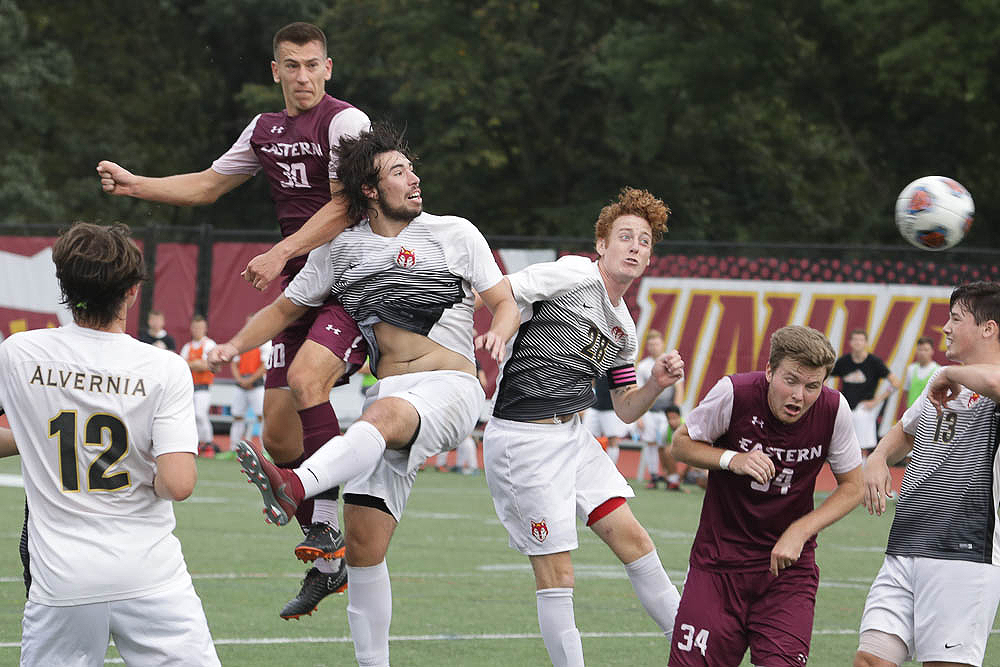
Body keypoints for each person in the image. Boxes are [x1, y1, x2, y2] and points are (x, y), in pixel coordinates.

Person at [206, 121, 520, 667]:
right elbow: (285, 310)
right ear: (370, 191)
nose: (414, 178)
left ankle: (296, 485)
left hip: (450, 388)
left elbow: (507, 301)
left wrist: (501, 327)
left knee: (385, 415)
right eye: (399, 172)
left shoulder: (455, 232)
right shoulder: (342, 248)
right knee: (365, 543)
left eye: (412, 168)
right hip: (391, 398)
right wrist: (233, 345)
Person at [96, 21, 371, 616]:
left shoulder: (346, 123)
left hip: (355, 278)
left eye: (312, 64)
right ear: (275, 71)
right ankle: (329, 563)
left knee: (307, 383)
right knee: (278, 436)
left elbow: (348, 204)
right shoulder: (265, 129)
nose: (302, 75)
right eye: (291, 65)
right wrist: (134, 184)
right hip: (301, 285)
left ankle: (331, 524)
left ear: (330, 68)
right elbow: (208, 184)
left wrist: (280, 252)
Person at [0, 222, 220, 666]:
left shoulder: (19, 352)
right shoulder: (164, 367)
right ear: (133, 291)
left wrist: (41, 443)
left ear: (62, 284)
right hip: (150, 574)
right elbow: (178, 483)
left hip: (62, 579)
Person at [484, 187, 684, 666]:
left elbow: (625, 409)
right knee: (558, 575)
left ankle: (696, 655)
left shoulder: (625, 328)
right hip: (523, 441)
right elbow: (503, 291)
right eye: (625, 237)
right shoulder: (573, 273)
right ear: (602, 245)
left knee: (636, 541)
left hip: (573, 440)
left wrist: (655, 382)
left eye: (645, 241)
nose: (636, 247)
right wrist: (499, 328)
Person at [669, 325, 863, 667]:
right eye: (791, 380)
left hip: (786, 571)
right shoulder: (735, 392)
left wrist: (799, 531)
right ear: (770, 371)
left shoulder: (834, 409)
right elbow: (681, 444)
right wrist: (733, 459)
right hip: (718, 565)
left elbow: (852, 486)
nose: (799, 396)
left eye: (812, 386)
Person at [854, 282, 1000, 667]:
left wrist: (949, 372)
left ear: (989, 328)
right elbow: (906, 430)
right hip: (905, 546)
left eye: (955, 319)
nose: (945, 328)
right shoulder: (945, 379)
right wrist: (879, 457)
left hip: (964, 554)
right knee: (870, 660)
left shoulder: (960, 378)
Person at [830, 329, 902, 450]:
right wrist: (830, 395)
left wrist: (877, 400)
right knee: (843, 444)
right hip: (845, 407)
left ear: (866, 343)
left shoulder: (874, 362)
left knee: (862, 446)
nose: (858, 343)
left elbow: (895, 383)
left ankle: (863, 467)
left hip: (864, 408)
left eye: (861, 340)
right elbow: (825, 376)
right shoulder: (843, 361)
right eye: (855, 340)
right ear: (850, 342)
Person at [636, 330, 683, 488]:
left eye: (656, 343)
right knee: (650, 442)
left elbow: (679, 388)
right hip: (649, 410)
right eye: (650, 344)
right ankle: (655, 476)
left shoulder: (671, 362)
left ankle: (672, 477)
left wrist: (675, 412)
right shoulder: (643, 366)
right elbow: (638, 390)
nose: (653, 347)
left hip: (666, 412)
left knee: (667, 444)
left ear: (662, 344)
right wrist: (639, 416)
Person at [179, 314, 218, 457]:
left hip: (203, 386)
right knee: (190, 417)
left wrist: (192, 364)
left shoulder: (209, 344)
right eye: (195, 327)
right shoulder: (187, 346)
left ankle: (208, 443)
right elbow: (182, 366)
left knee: (201, 415)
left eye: (200, 327)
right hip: (189, 387)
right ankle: (194, 444)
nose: (197, 330)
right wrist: (196, 364)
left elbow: (205, 365)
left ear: (205, 328)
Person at [229, 334, 271, 449]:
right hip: (241, 385)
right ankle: (234, 448)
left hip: (256, 386)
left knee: (261, 416)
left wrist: (250, 380)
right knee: (237, 416)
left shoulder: (265, 343)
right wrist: (240, 379)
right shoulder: (241, 343)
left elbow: (265, 365)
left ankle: (265, 450)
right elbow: (234, 363)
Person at [583, 375, 629, 466]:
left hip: (611, 408)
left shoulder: (619, 362)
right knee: (586, 437)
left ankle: (611, 468)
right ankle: (587, 468)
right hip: (595, 404)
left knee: (613, 439)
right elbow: (592, 379)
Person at [661, 404, 706, 490]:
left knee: (703, 482)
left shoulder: (689, 428)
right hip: (683, 458)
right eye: (669, 419)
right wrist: (665, 472)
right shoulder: (665, 430)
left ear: (679, 417)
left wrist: (683, 473)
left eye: (674, 418)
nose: (671, 421)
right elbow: (661, 451)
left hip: (696, 462)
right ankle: (673, 481)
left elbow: (695, 453)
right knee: (667, 450)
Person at [901, 336, 940, 409]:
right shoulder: (911, 369)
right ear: (916, 351)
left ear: (932, 351)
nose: (922, 353)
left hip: (927, 414)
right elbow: (906, 391)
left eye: (926, 350)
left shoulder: (938, 370)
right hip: (911, 412)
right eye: (920, 349)